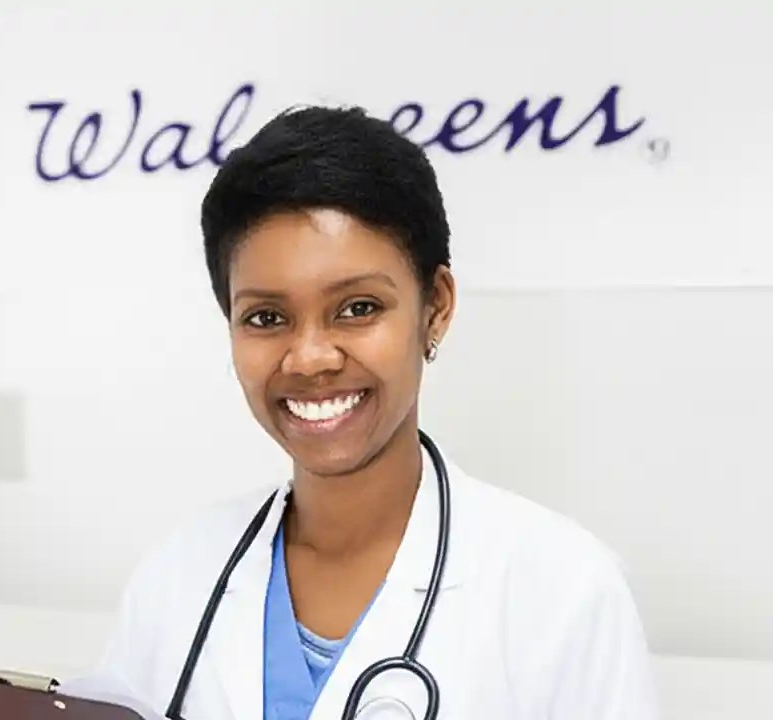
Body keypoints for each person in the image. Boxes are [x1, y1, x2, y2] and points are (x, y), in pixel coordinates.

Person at [93, 106, 659, 719]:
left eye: (358, 307)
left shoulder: (564, 591)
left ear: (435, 308)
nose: (309, 358)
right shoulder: (176, 578)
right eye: (266, 318)